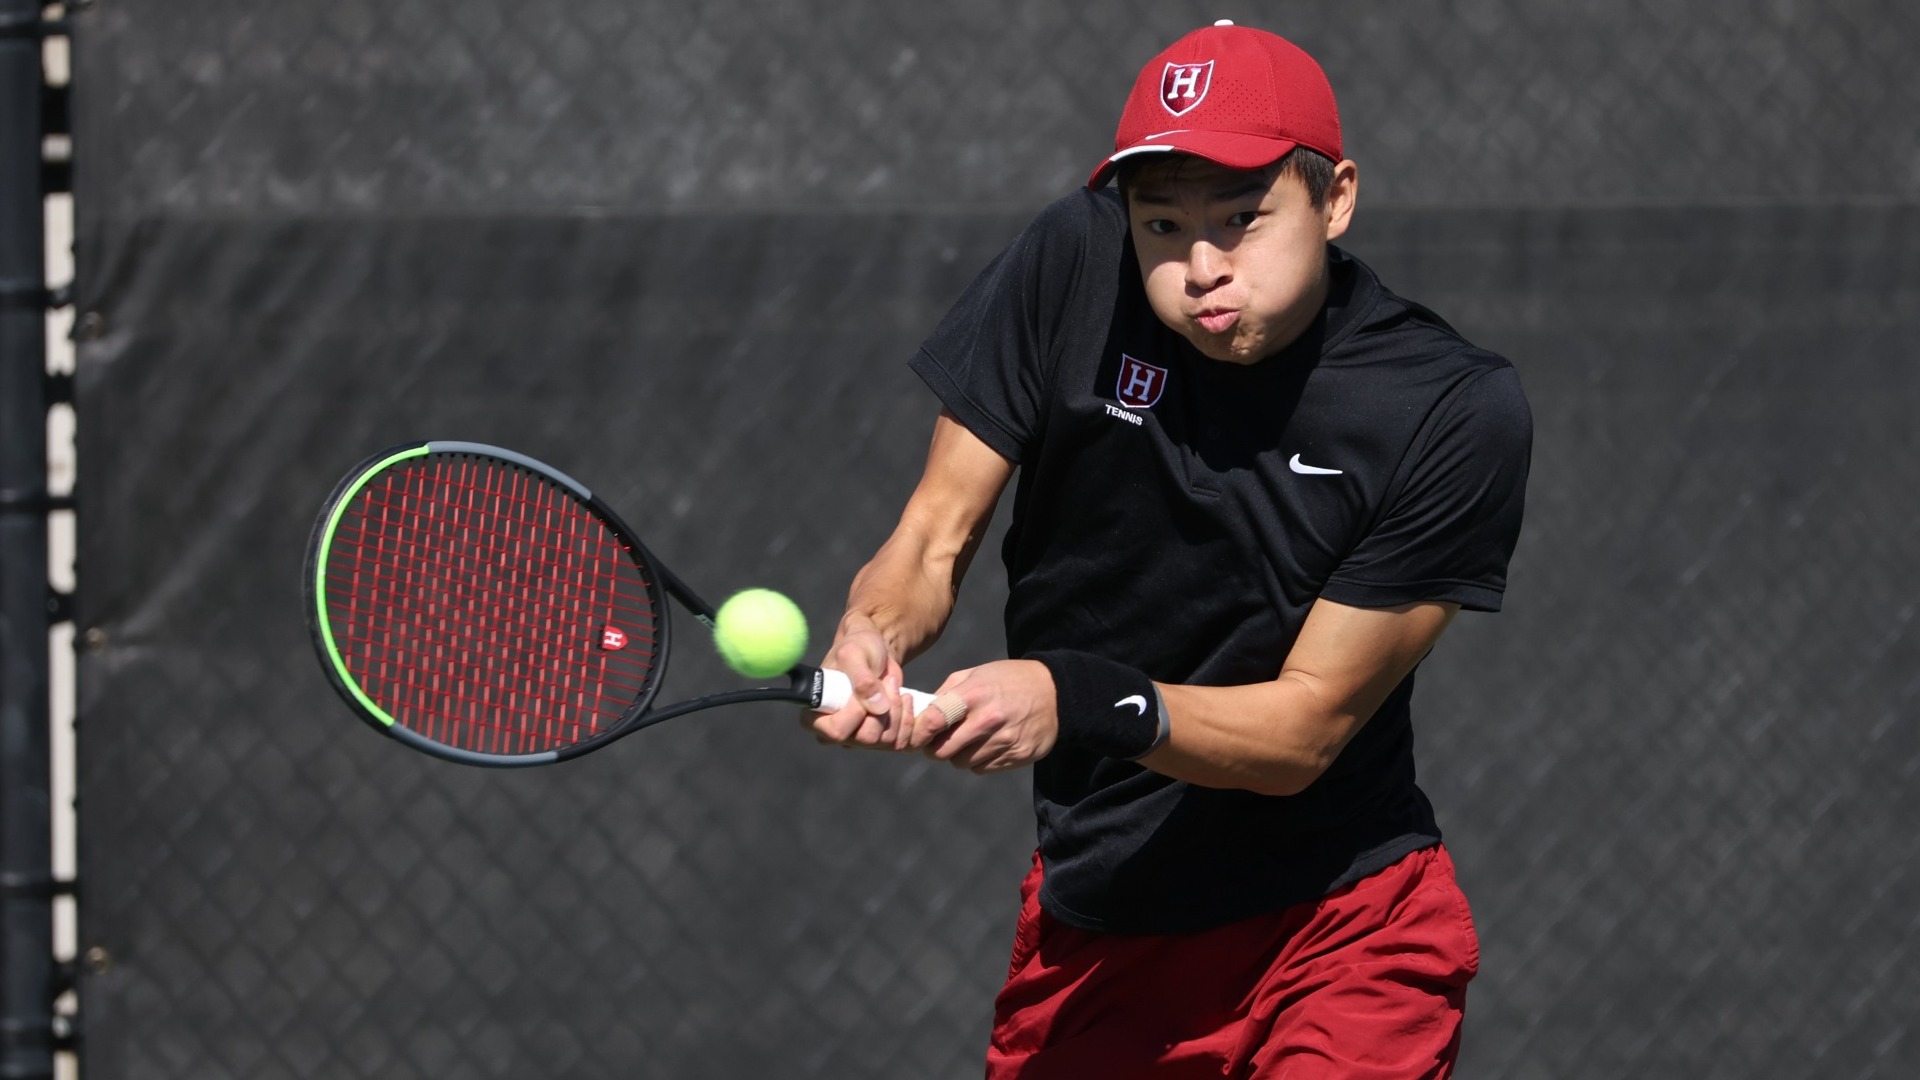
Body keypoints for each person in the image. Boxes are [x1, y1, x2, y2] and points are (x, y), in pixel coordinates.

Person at [807, 19, 1531, 1079]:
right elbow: (930, 537)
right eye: (1161, 223)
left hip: (1341, 929)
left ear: (1335, 199)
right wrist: (871, 638)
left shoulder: (1447, 408)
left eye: (1243, 219)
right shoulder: (1070, 265)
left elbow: (1306, 730)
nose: (1200, 265)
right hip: (1103, 927)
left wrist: (1080, 697)